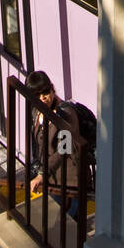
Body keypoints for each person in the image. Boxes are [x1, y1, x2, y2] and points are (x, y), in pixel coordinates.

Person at [24, 70, 81, 220]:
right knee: (54, 220)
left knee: (67, 223)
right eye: (36, 95)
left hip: (69, 179)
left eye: (45, 92)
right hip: (52, 177)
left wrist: (42, 174)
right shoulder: (37, 112)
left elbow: (65, 147)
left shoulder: (65, 112)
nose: (42, 98)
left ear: (52, 89)